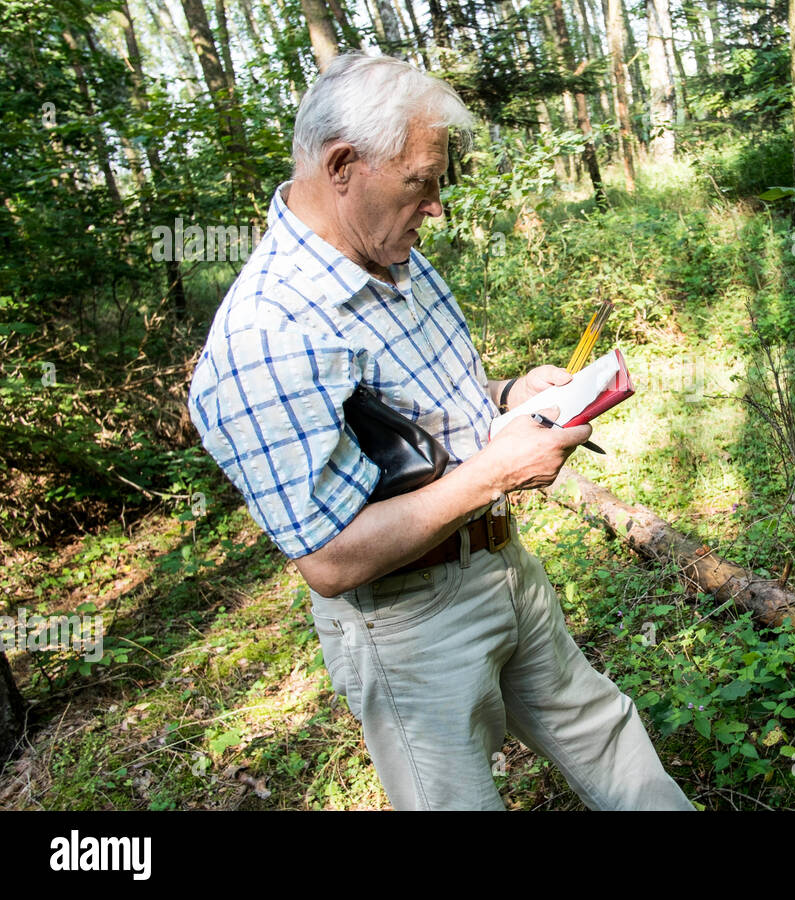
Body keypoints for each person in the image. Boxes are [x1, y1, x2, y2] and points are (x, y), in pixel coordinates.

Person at [187, 51, 694, 811]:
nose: (436, 208)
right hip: (405, 622)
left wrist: (511, 392)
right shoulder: (268, 333)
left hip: (500, 561)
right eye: (421, 183)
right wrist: (496, 474)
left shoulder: (395, 257)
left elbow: (424, 405)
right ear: (344, 165)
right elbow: (327, 558)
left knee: (602, 730)